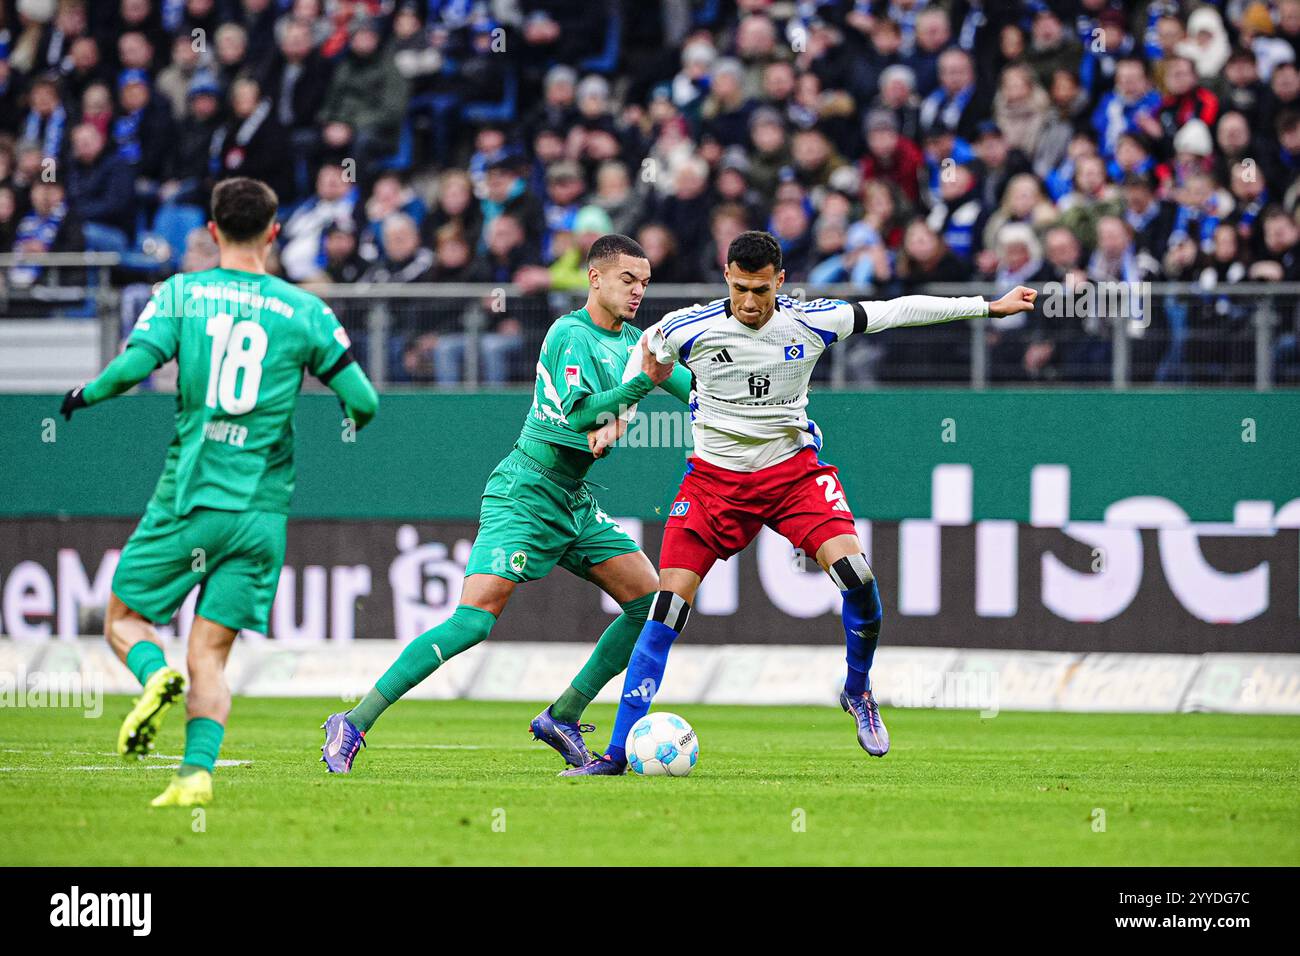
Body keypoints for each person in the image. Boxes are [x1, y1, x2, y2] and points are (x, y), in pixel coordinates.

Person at [563, 231, 1037, 775]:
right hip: (713, 486)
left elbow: (895, 310)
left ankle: (857, 690)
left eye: (760, 290)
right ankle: (618, 755)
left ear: (779, 282)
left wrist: (986, 306)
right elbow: (647, 351)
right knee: (666, 609)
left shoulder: (812, 320)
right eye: (739, 288)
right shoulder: (688, 327)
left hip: (793, 476)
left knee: (857, 577)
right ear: (727, 278)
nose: (748, 302)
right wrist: (616, 417)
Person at [320, 235, 696, 774]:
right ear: (595, 278)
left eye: (644, 282)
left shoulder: (640, 342)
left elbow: (694, 391)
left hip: (574, 501)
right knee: (473, 623)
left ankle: (563, 715)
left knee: (649, 602)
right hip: (525, 492)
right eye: (627, 280)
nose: (638, 291)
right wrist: (639, 386)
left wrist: (750, 403)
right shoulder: (569, 333)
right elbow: (583, 411)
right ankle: (354, 721)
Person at [57, 177, 379, 807]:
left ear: (210, 230)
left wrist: (83, 395)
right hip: (260, 516)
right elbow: (364, 400)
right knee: (210, 654)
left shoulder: (181, 294)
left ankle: (153, 675)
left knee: (124, 617)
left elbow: (133, 367)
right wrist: (353, 423)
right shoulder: (306, 310)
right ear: (274, 232)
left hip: (191, 497)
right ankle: (194, 777)